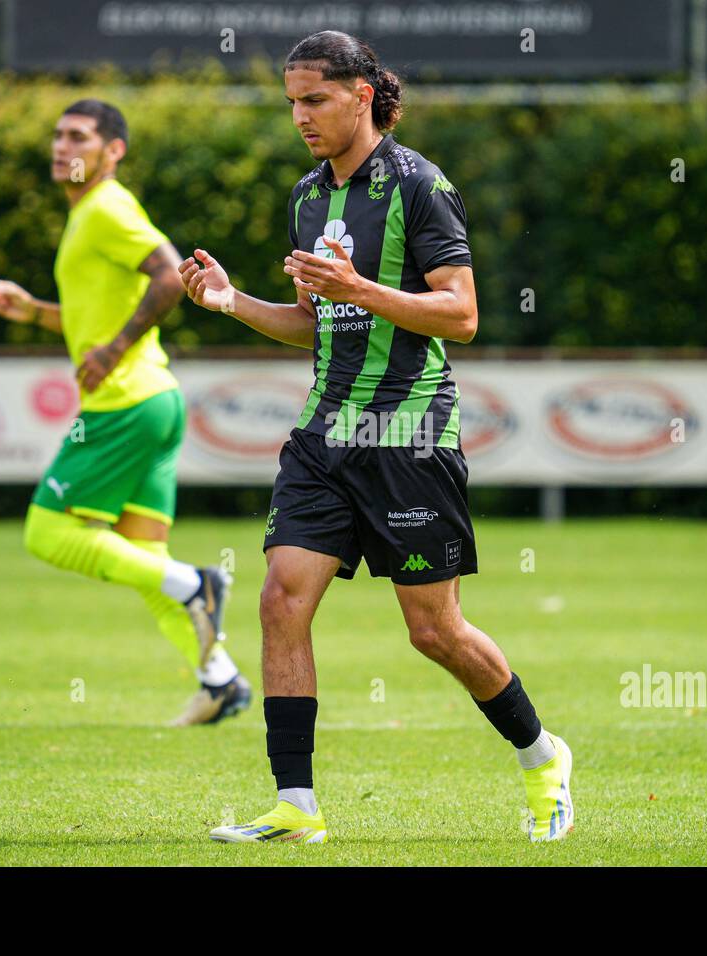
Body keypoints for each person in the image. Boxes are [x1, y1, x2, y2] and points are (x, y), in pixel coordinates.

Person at [180, 33, 573, 842]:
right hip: (324, 435)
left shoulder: (421, 187)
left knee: (434, 631)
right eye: (291, 101)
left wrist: (362, 286)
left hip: (407, 432)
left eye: (314, 99)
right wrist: (229, 302)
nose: (300, 116)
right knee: (281, 599)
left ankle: (542, 756)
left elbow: (460, 315)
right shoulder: (306, 197)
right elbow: (314, 323)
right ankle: (297, 806)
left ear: (362, 95)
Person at [0, 99, 250, 726]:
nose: (61, 147)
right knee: (145, 565)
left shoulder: (106, 206)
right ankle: (221, 681)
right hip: (156, 400)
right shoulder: (86, 216)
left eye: (77, 137)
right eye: (56, 135)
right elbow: (92, 317)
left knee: (47, 533)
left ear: (113, 152)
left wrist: (112, 348)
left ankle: (199, 585)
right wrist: (33, 312)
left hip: (125, 403)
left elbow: (169, 274)